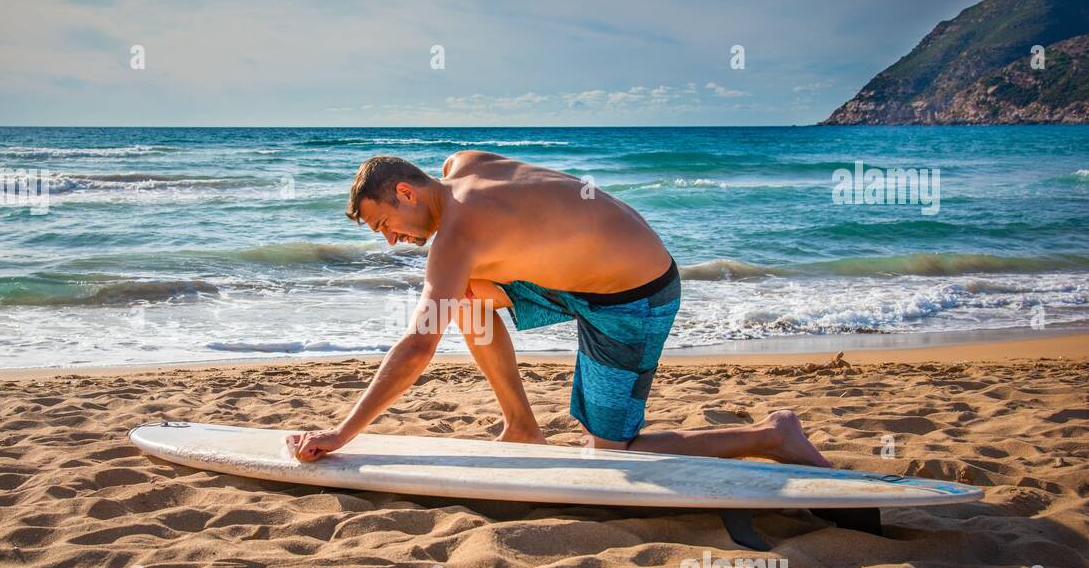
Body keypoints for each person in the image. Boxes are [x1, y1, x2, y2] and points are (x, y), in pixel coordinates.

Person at [287, 151, 829, 468]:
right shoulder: (462, 165)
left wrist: (341, 434)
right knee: (468, 295)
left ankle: (773, 434)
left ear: (405, 192)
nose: (390, 240)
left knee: (614, 454)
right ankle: (522, 426)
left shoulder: (457, 235)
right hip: (583, 280)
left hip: (635, 298)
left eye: (385, 225)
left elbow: (419, 344)